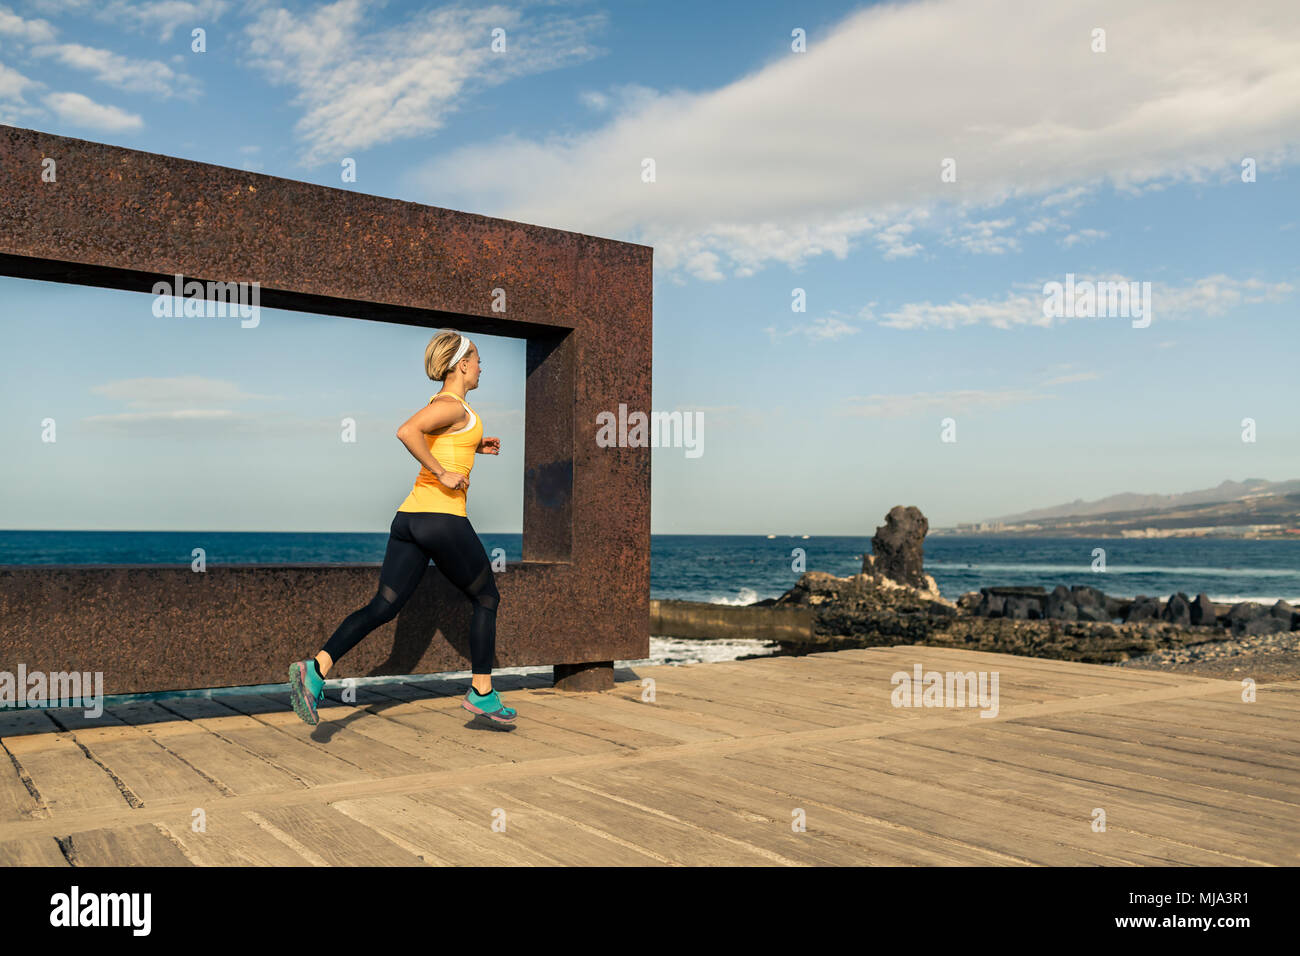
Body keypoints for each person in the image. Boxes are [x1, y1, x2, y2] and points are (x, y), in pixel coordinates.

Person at [288, 329, 515, 726]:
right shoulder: (452, 405)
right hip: (442, 520)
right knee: (486, 598)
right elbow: (407, 431)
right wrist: (442, 471)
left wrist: (473, 446)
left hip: (409, 520)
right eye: (477, 359)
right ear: (462, 365)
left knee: (384, 606)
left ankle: (316, 669)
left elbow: (437, 436)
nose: (482, 366)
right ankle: (482, 692)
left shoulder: (453, 409)